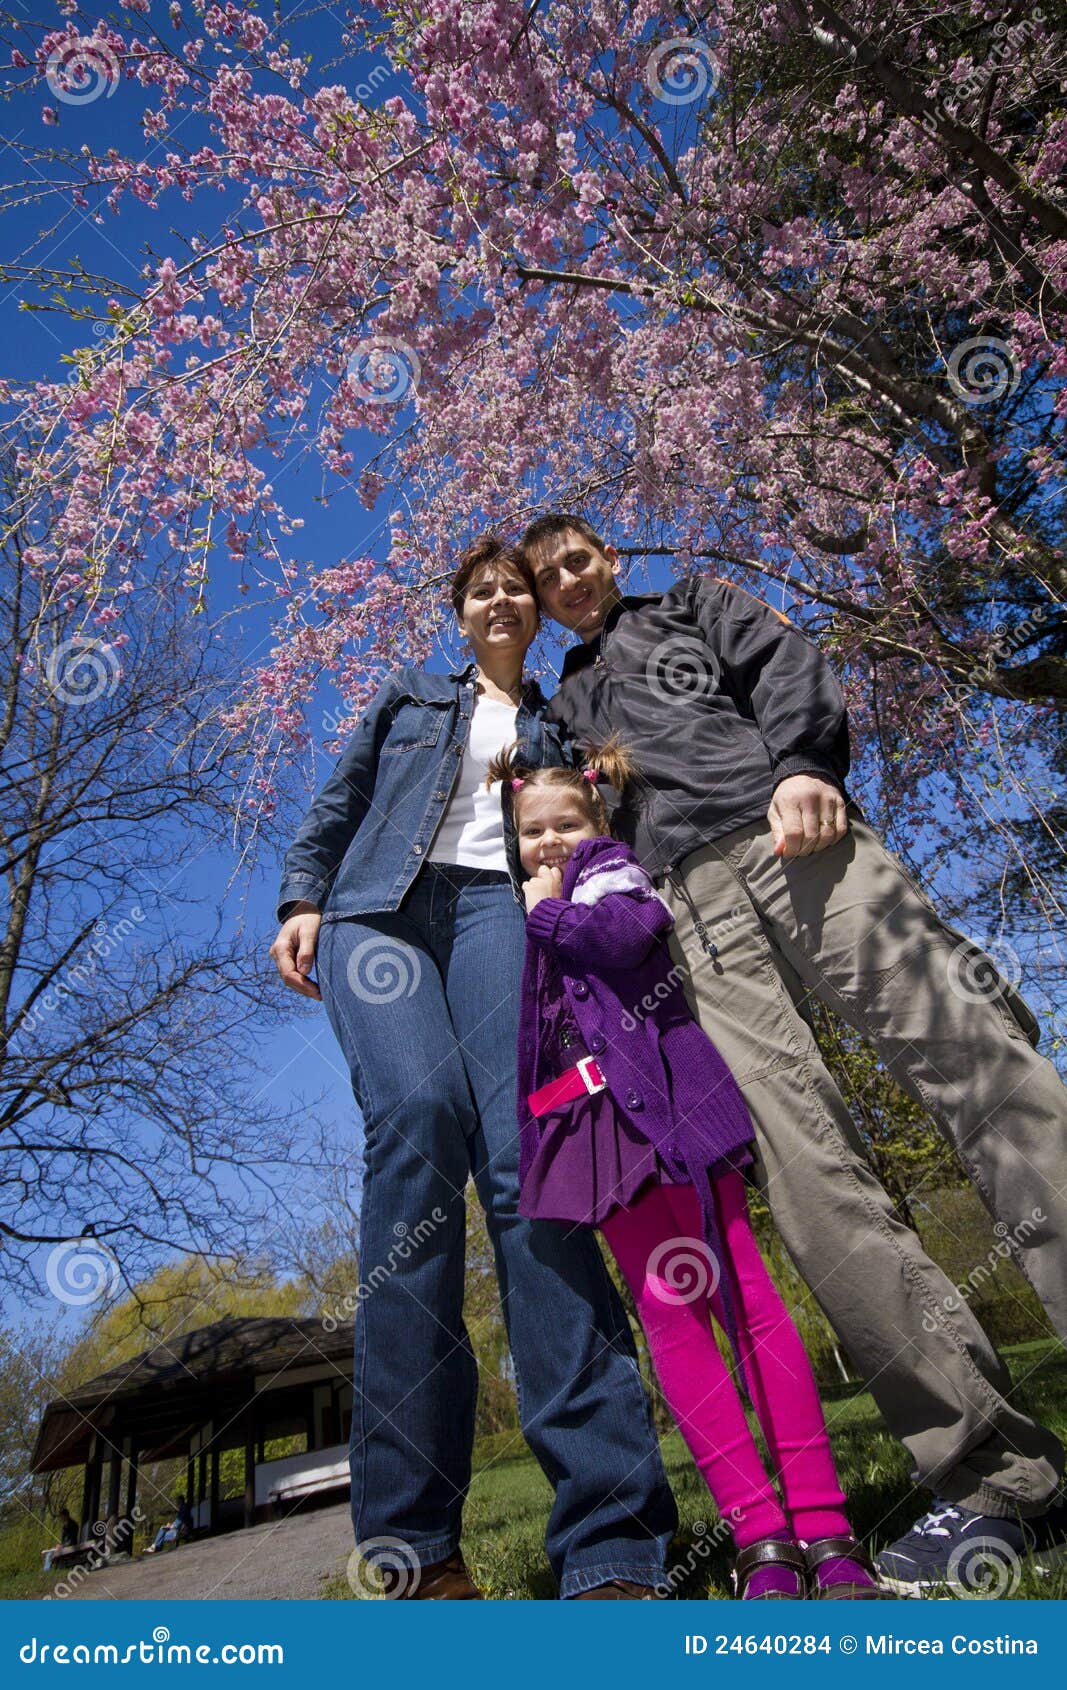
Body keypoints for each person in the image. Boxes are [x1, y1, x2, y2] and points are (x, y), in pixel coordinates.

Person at [518, 511, 1067, 1597]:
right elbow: (530, 810)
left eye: (575, 560)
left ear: (609, 561)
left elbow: (788, 665)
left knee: (984, 1069)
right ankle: (995, 1468)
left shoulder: (692, 607)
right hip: (687, 920)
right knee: (807, 1177)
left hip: (796, 839)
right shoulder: (562, 708)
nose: (565, 582)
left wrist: (806, 765)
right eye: (543, 581)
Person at [269, 536, 677, 1600]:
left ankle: (610, 1537)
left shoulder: (557, 720)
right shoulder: (410, 695)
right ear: (461, 613)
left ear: (533, 612)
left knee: (528, 1165)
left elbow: (605, 820)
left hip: (502, 911)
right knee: (416, 1123)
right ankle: (414, 1545)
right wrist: (303, 895)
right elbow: (337, 799)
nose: (499, 598)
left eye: (513, 587)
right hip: (379, 914)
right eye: (479, 588)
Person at [488, 736, 890, 1599]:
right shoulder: (538, 900)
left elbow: (630, 935)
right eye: (532, 830)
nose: (550, 840)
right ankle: (758, 1534)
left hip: (670, 1105)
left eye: (566, 822)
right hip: (598, 1133)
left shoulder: (601, 877)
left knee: (744, 1297)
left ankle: (822, 1522)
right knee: (669, 1316)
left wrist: (547, 911)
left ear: (598, 821)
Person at [42, 1507, 79, 1571]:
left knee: (50, 1554)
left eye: (61, 1516)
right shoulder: (65, 1526)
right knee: (50, 1552)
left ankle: (46, 1570)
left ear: (65, 1516)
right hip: (65, 1546)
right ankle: (47, 1570)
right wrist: (59, 1545)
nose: (60, 1518)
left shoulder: (73, 1525)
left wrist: (63, 1546)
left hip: (71, 1547)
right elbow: (63, 1540)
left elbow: (72, 1540)